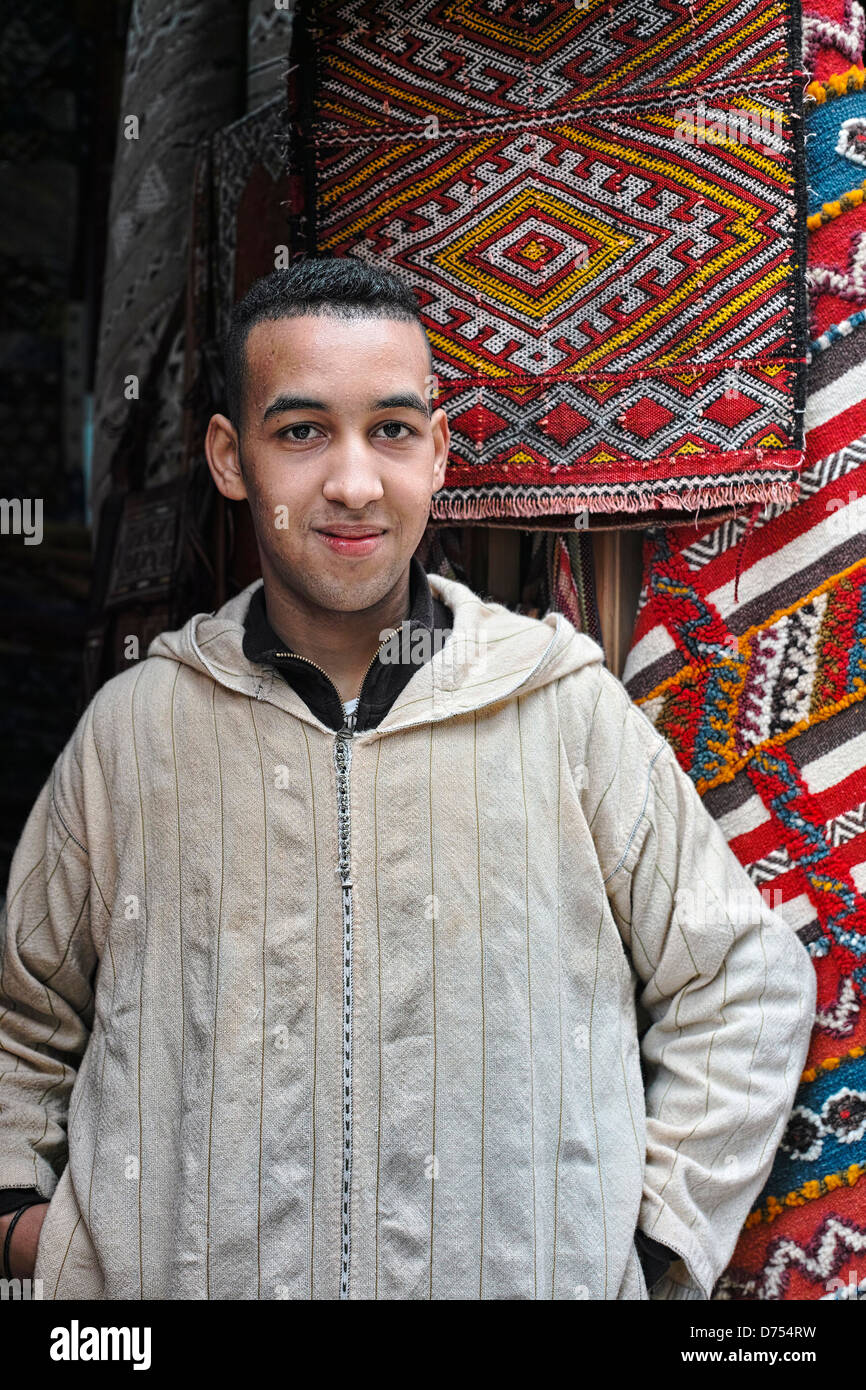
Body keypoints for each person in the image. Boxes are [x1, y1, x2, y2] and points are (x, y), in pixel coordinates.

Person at [0, 258, 816, 1300]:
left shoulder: (559, 707)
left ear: (436, 453)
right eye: (300, 432)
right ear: (228, 456)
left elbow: (740, 981)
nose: (350, 482)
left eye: (389, 429)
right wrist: (38, 1236)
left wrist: (645, 1252)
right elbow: (20, 1016)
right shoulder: (136, 733)